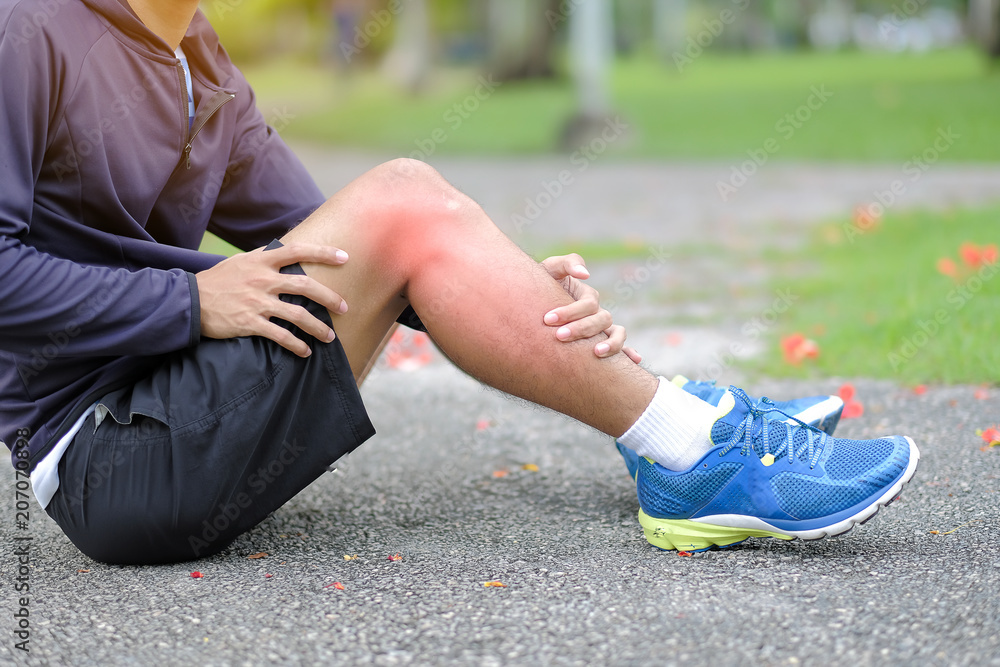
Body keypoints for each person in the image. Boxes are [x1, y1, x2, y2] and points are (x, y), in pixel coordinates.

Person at [0, 0, 919, 565]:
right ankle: (696, 450)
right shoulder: (28, 27)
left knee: (408, 211)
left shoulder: (200, 58)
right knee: (403, 197)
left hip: (181, 415)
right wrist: (191, 300)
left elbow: (368, 258)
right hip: (104, 457)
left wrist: (513, 285)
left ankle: (677, 430)